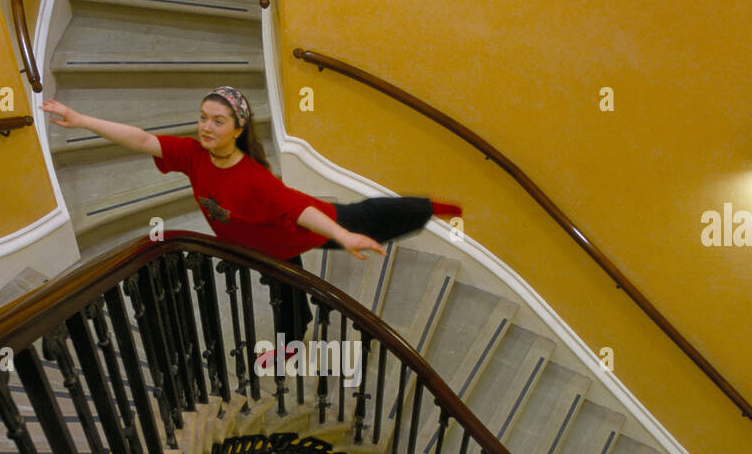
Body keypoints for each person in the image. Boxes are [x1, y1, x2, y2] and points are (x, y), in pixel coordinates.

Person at [39, 88, 459, 363]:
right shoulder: (193, 155)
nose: (206, 126)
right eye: (203, 117)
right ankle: (291, 347)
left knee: (368, 217)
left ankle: (429, 208)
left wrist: (343, 236)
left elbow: (298, 210)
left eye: (217, 121)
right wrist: (81, 120)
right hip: (263, 249)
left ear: (239, 130)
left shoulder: (254, 178)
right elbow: (143, 140)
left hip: (298, 232)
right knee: (289, 300)